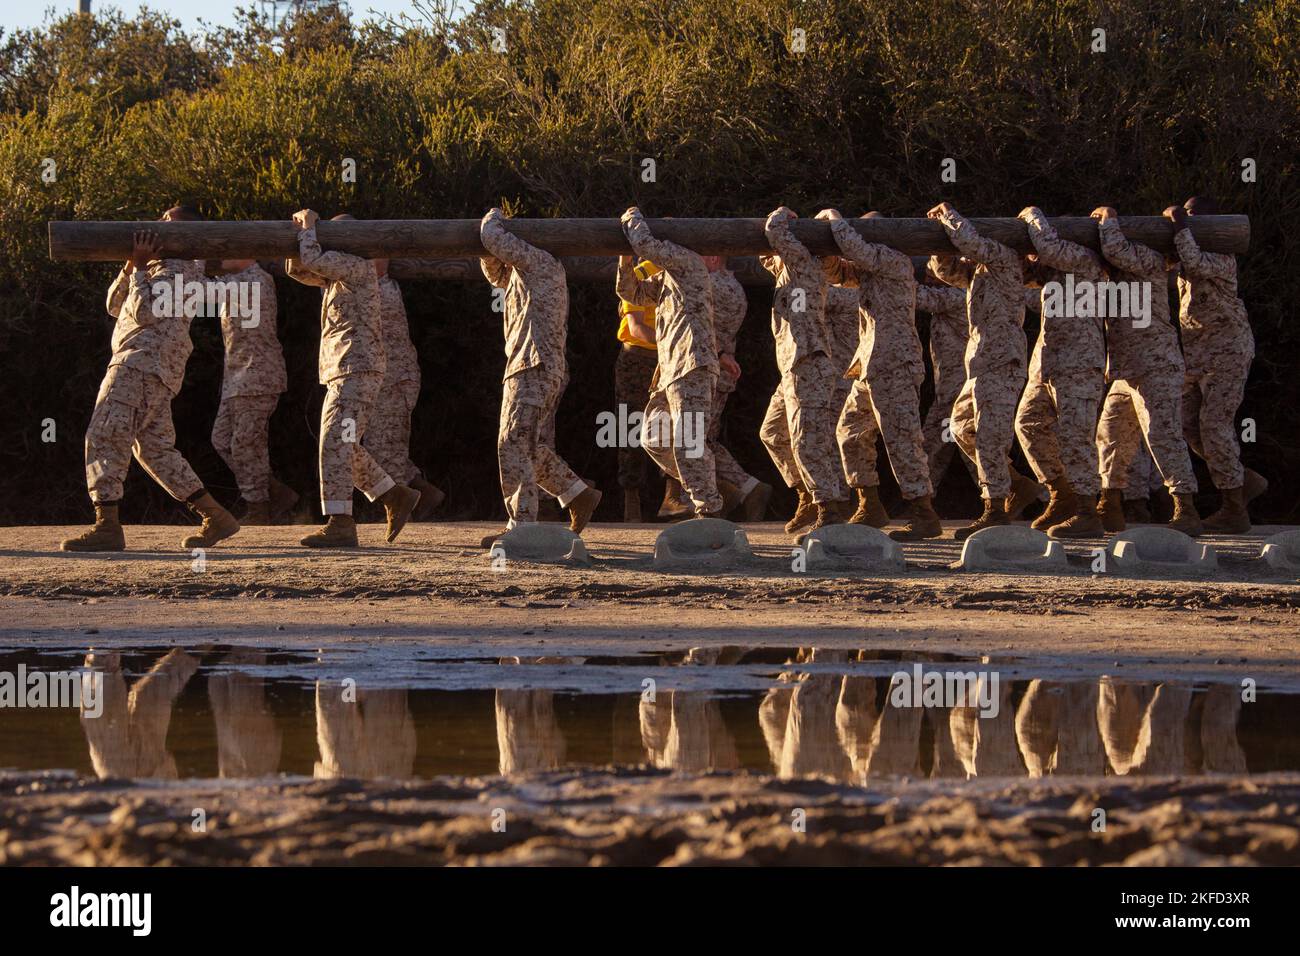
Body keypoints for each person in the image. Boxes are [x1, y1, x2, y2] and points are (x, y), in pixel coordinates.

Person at [63, 206, 240, 552]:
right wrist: (132, 267)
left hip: (140, 365)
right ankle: (216, 516)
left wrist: (142, 269)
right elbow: (116, 306)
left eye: (166, 220)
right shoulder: (168, 268)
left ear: (184, 233)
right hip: (151, 369)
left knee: (104, 434)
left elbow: (144, 311)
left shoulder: (180, 269)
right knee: (156, 450)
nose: (157, 224)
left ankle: (107, 526)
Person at [285, 209, 420, 547]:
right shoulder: (338, 277)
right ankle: (392, 496)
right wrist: (300, 233)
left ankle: (341, 521)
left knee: (335, 440)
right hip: (345, 369)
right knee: (342, 442)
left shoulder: (357, 268)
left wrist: (310, 229)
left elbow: (311, 257)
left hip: (355, 368)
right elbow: (298, 269)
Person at [479, 208, 601, 546]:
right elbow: (494, 268)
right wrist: (493, 239)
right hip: (530, 363)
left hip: (532, 364)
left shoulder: (540, 263)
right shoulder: (526, 272)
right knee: (528, 444)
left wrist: (492, 217)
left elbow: (490, 237)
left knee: (513, 442)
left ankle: (522, 526)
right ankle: (576, 493)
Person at [820, 209, 940, 540]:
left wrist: (832, 219)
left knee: (902, 437)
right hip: (869, 366)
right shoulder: (869, 269)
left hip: (895, 363)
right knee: (849, 431)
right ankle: (868, 503)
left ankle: (923, 512)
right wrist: (825, 248)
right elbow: (836, 273)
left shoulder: (893, 261)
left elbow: (856, 250)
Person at [927, 202, 1040, 540]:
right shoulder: (979, 271)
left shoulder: (1004, 260)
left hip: (1002, 360)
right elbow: (944, 271)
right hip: (978, 363)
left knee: (990, 435)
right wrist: (936, 243)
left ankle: (995, 506)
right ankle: (1016, 485)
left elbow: (972, 244)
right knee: (961, 426)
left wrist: (948, 214)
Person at [1093, 205, 1202, 535]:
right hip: (1127, 369)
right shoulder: (1114, 274)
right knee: (1110, 434)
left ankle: (1185, 505)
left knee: (1162, 433)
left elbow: (1115, 248)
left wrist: (1109, 217)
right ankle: (1109, 502)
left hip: (1155, 364)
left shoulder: (1147, 259)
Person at [1166, 197, 1266, 532]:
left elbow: (1194, 262)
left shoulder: (1222, 258)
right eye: (1187, 212)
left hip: (1228, 352)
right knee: (1187, 425)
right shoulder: (1186, 255)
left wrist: (1179, 222)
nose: (1190, 217)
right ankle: (1242, 479)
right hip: (1197, 355)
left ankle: (1234, 509)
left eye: (1196, 214)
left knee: (1214, 426)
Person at [617, 206, 723, 517]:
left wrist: (630, 218)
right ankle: (707, 484)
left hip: (691, 362)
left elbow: (646, 244)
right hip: (669, 371)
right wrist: (624, 257)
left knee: (688, 442)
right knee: (653, 437)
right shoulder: (666, 278)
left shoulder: (687, 262)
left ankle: (709, 510)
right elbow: (629, 291)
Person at [1013, 206, 1107, 537]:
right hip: (1048, 363)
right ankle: (1061, 493)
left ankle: (1087, 511)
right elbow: (1028, 270)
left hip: (1079, 363)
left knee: (1075, 437)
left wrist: (1032, 214)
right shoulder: (1053, 274)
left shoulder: (1084, 260)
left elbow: (1049, 248)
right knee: (1028, 424)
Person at [758, 206, 844, 538]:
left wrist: (781, 213)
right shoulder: (790, 270)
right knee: (774, 432)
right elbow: (768, 254)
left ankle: (828, 509)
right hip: (793, 365)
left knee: (808, 440)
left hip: (807, 362)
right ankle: (806, 493)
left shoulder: (806, 266)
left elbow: (774, 230)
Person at [210, 257, 297, 525]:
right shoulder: (234, 282)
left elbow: (194, 292)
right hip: (238, 377)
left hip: (257, 375)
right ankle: (273, 490)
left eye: (227, 252)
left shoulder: (254, 281)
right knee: (222, 439)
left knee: (245, 443)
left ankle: (258, 506)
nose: (221, 257)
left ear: (247, 255)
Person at [362, 265, 446, 520]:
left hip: (393, 380)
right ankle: (422, 490)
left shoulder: (377, 291)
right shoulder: (369, 286)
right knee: (381, 447)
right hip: (386, 380)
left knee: (385, 450)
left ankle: (399, 516)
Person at [707, 256, 771, 520]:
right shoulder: (731, 285)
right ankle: (747, 488)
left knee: (690, 440)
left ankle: (724, 492)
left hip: (708, 372)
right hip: (718, 373)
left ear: (713, 257)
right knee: (703, 440)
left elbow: (699, 327)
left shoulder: (713, 285)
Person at [915, 260, 979, 492]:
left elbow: (915, 296)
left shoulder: (954, 297)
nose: (930, 274)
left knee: (934, 443)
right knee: (960, 441)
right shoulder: (956, 294)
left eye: (935, 268)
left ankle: (921, 499)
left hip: (955, 387)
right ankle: (1006, 495)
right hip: (953, 386)